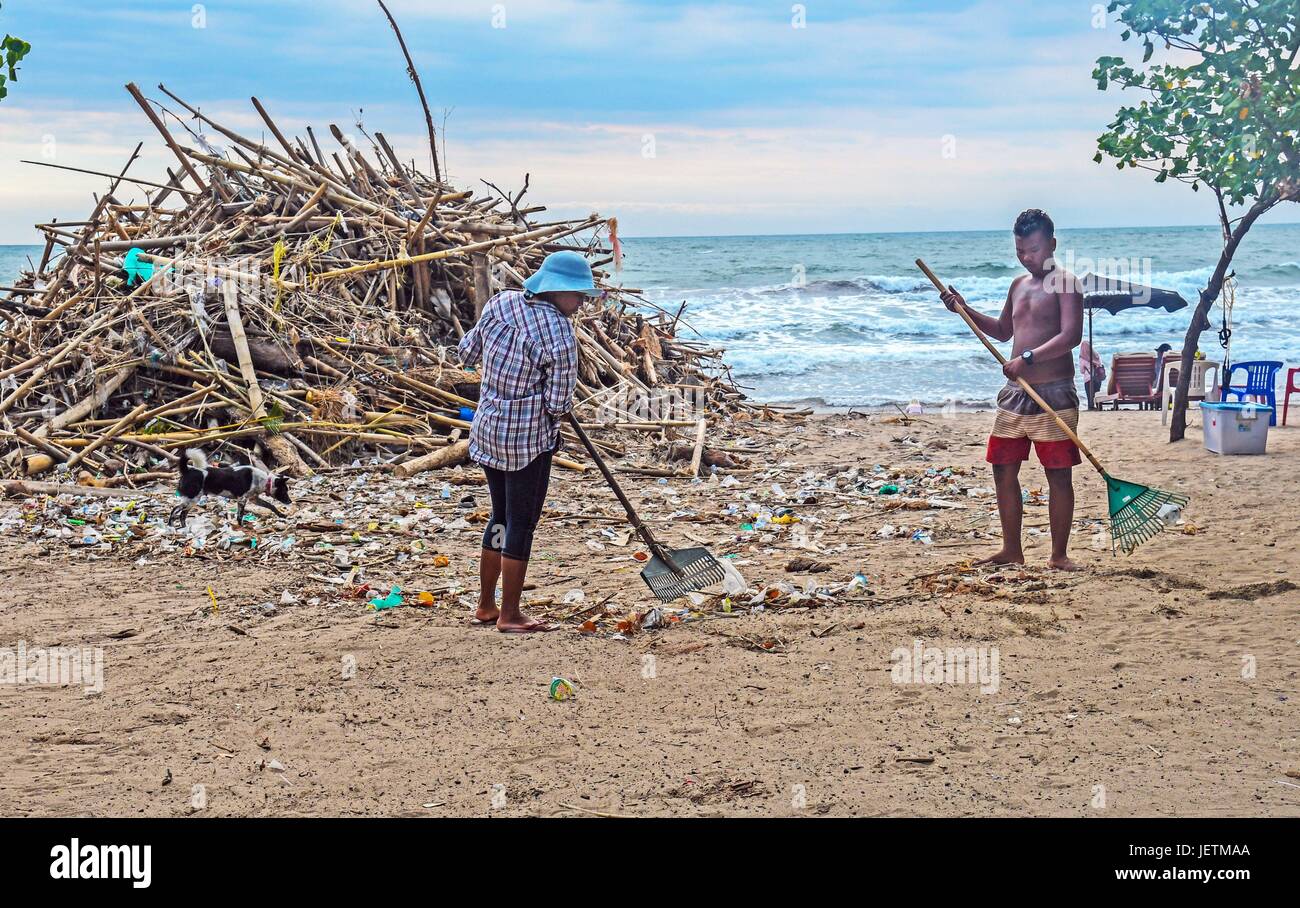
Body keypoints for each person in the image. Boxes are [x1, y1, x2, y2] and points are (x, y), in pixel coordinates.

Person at [456, 251, 601, 632]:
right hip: (526, 440)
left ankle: (486, 605)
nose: (582, 303)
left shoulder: (500, 303)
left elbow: (467, 352)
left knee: (500, 516)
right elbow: (557, 403)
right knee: (522, 522)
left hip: (489, 428)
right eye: (579, 295)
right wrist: (548, 403)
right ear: (558, 291)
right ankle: (510, 614)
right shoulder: (560, 333)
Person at [940, 209, 1084, 571]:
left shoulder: (1066, 283)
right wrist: (964, 309)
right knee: (1002, 468)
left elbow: (1071, 336)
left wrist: (1028, 358)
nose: (1027, 257)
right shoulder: (1018, 285)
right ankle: (1011, 550)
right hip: (1016, 394)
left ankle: (1058, 555)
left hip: (1054, 393)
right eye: (1020, 250)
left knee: (1058, 474)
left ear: (1051, 244)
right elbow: (1003, 330)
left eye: (1033, 249)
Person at [1080, 340, 1105, 409]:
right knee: (1096, 393)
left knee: (1089, 396)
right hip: (1098, 378)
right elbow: (1100, 364)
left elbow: (1081, 371)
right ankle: (1098, 406)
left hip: (1088, 380)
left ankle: (1091, 407)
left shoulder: (1082, 358)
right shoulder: (1096, 355)